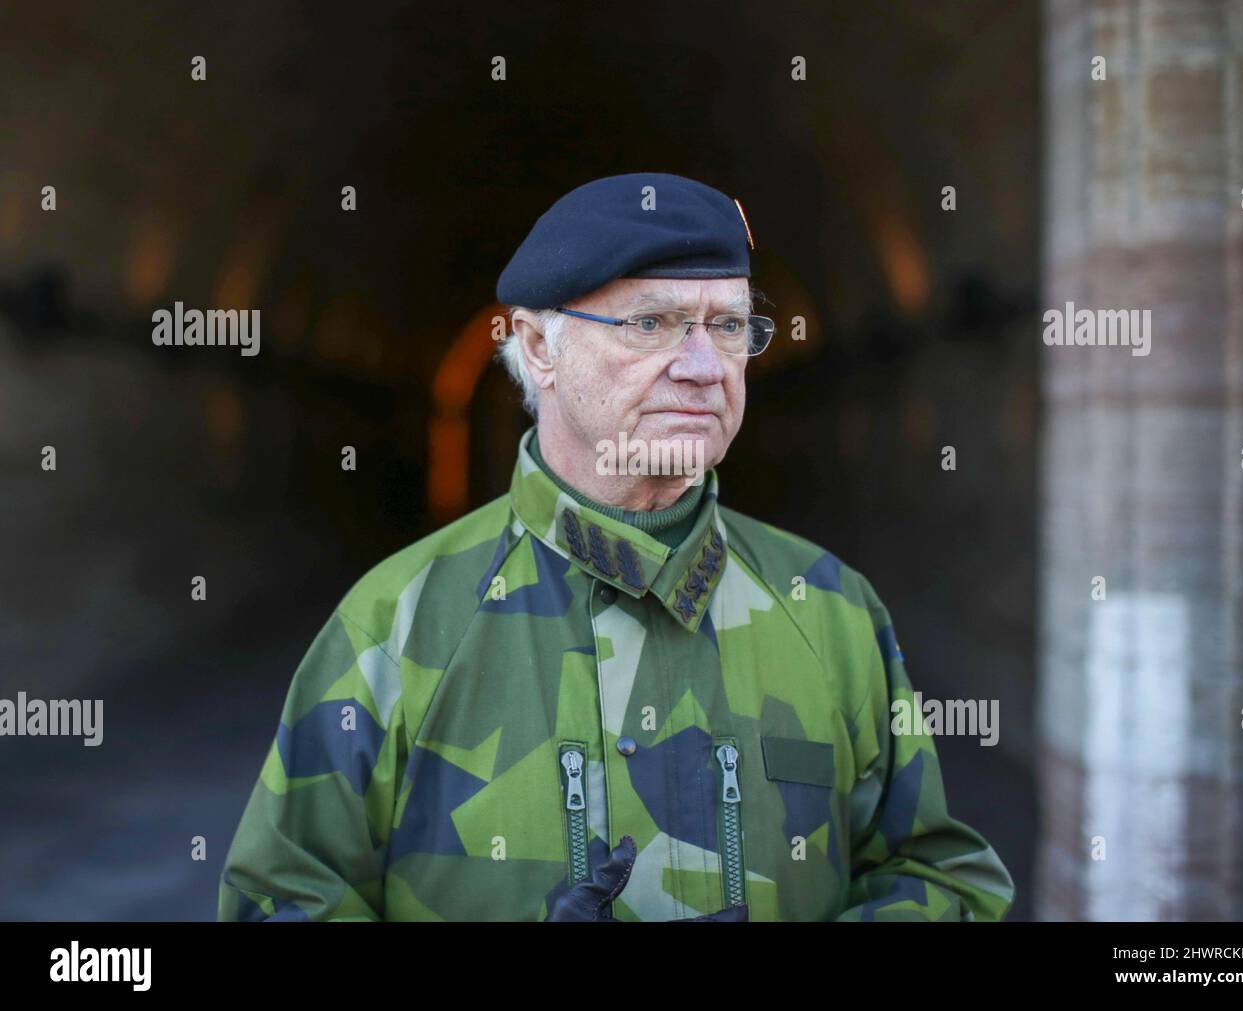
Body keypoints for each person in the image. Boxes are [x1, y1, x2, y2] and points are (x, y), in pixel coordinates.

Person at [217, 171, 1015, 921]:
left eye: (729, 325)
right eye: (651, 323)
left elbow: (942, 874)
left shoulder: (833, 609)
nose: (703, 367)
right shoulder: (396, 623)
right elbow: (280, 897)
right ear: (538, 348)